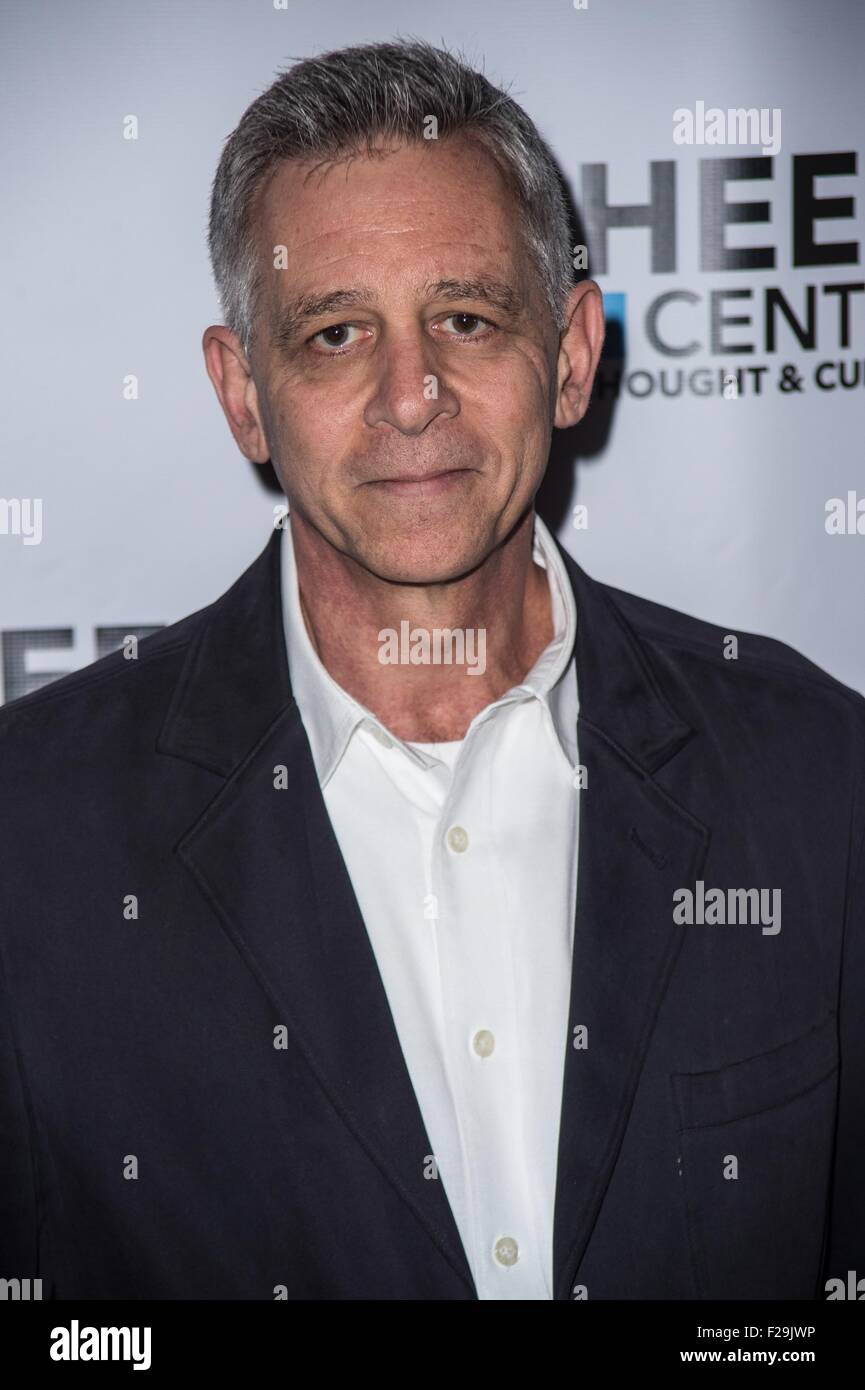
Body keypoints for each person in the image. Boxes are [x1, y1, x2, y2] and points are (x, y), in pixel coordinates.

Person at [0, 39, 862, 1301]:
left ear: (569, 353)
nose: (413, 396)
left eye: (466, 318)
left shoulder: (813, 776)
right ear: (244, 395)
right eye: (337, 333)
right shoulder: (32, 837)